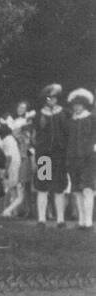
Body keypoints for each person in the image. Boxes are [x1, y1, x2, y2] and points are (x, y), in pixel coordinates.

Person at [32, 83, 69, 227]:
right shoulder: (39, 114)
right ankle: (41, 219)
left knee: (59, 186)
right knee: (42, 186)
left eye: (54, 98)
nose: (51, 100)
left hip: (59, 155)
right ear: (45, 99)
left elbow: (68, 133)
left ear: (57, 98)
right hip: (44, 156)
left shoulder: (64, 113)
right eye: (49, 98)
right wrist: (36, 153)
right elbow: (34, 136)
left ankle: (60, 219)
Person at [64, 88, 95, 230]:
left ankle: (88, 221)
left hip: (89, 159)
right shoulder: (71, 121)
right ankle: (81, 221)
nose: (77, 107)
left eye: (79, 104)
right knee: (77, 190)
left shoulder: (92, 118)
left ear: (84, 105)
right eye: (75, 105)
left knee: (87, 189)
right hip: (73, 160)